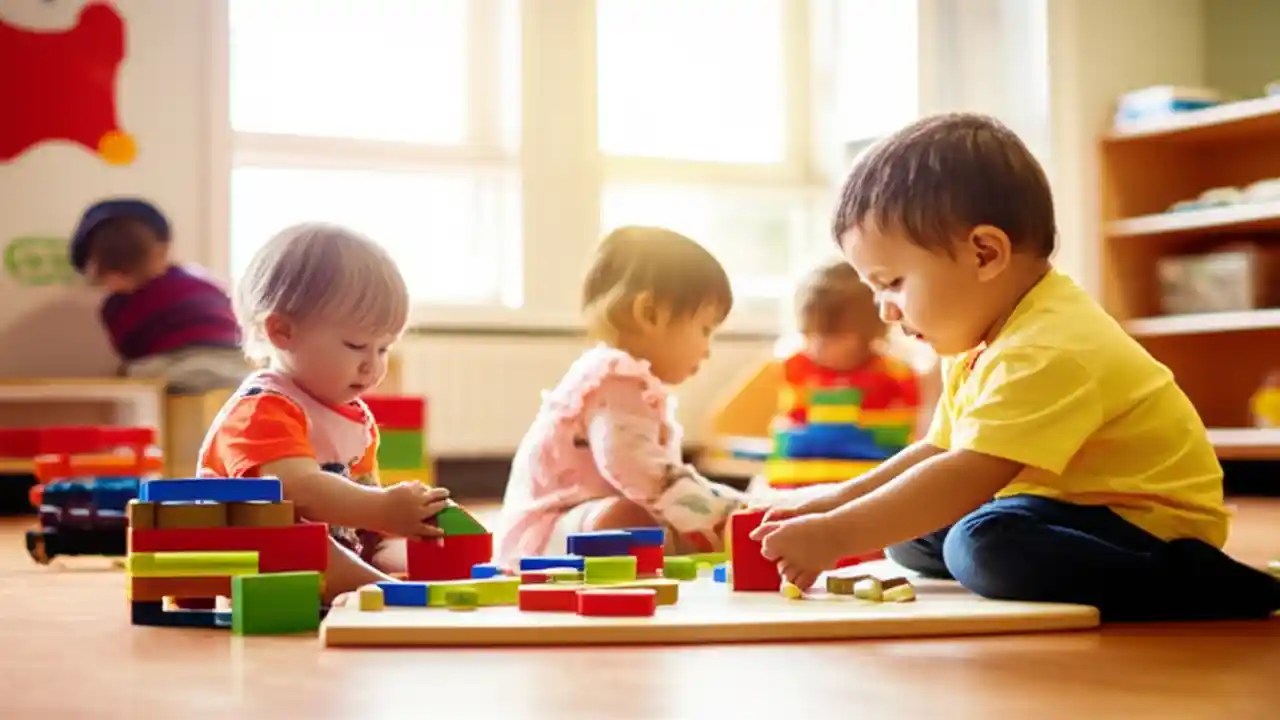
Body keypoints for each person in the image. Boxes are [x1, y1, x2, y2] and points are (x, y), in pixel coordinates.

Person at [753, 113, 1279, 621]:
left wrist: (836, 535)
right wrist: (835, 502)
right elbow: (939, 451)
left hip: (1142, 525)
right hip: (1062, 507)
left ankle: (1210, 582)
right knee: (908, 533)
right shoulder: (983, 342)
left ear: (985, 254)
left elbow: (966, 473)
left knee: (982, 544)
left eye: (892, 284)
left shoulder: (1048, 345)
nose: (885, 311)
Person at [197, 222, 449, 601]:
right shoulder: (262, 410)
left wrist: (401, 527)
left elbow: (364, 507)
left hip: (328, 547)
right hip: (245, 549)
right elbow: (302, 491)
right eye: (356, 345)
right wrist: (382, 508)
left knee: (417, 542)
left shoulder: (354, 418)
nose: (374, 367)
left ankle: (399, 580)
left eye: (383, 349)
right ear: (283, 332)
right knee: (298, 536)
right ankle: (381, 591)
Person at [496, 226, 743, 568]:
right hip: (547, 535)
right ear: (650, 314)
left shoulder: (627, 382)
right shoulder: (615, 376)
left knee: (658, 520)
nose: (707, 350)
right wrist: (726, 510)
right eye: (705, 329)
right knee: (624, 518)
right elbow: (639, 469)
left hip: (578, 523)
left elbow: (661, 483)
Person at [69, 197, 248, 393]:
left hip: (177, 367)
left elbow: (132, 351)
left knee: (135, 375)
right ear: (161, 251)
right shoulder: (204, 284)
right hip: (235, 364)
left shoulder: (118, 307)